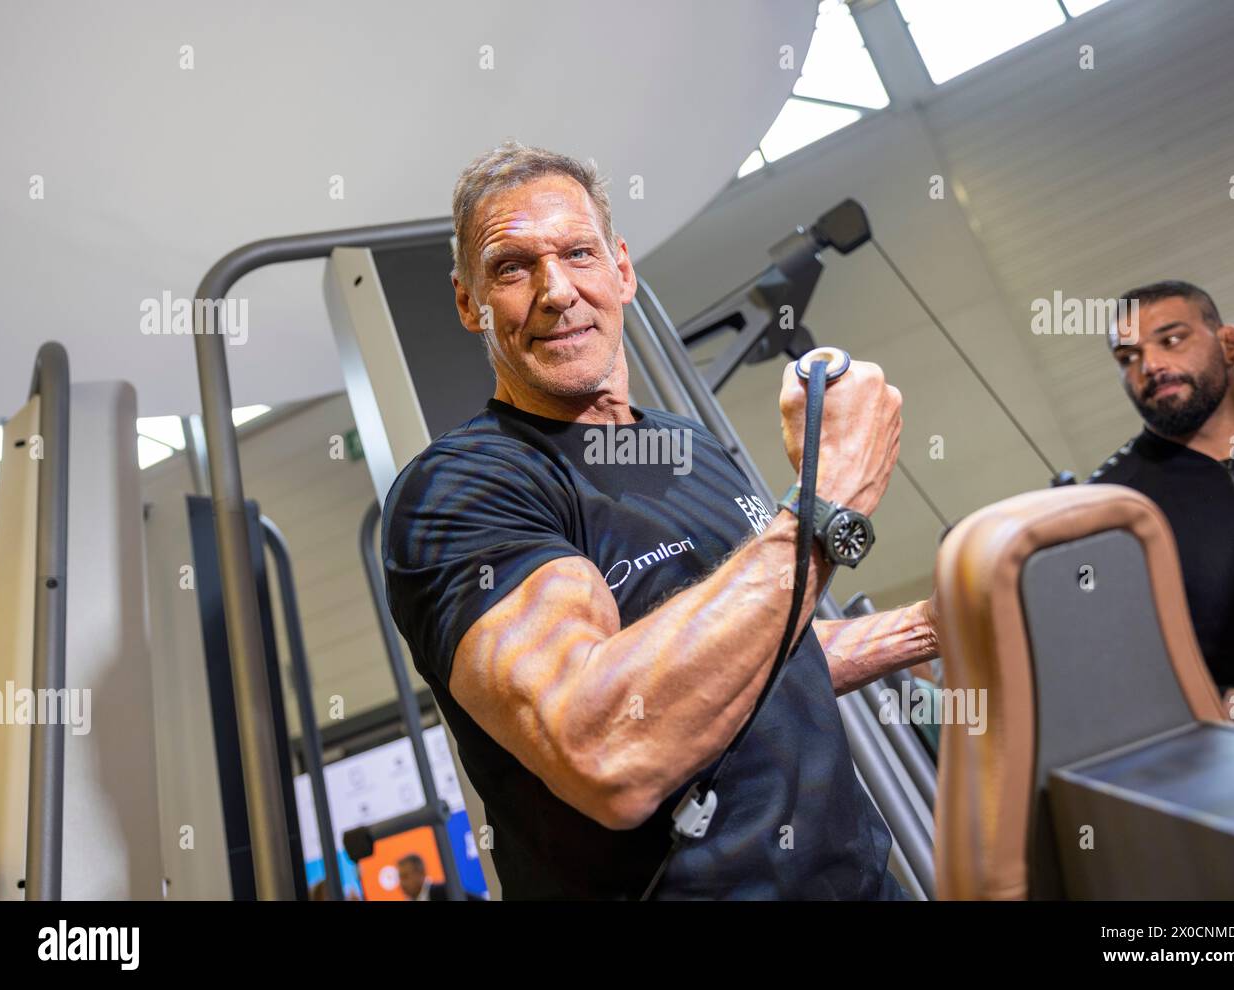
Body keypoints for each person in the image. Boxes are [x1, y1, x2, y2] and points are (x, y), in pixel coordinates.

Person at [382, 140, 939, 900]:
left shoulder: (688, 447)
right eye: (513, 268)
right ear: (467, 301)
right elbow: (604, 749)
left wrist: (938, 626)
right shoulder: (464, 489)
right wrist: (826, 501)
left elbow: (755, 653)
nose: (556, 291)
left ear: (621, 269)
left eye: (578, 254)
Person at [1090, 280, 1234, 706]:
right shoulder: (1110, 509)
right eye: (1129, 356)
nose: (1151, 365)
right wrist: (1231, 704)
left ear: (1228, 344)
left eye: (1171, 339)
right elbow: (1116, 661)